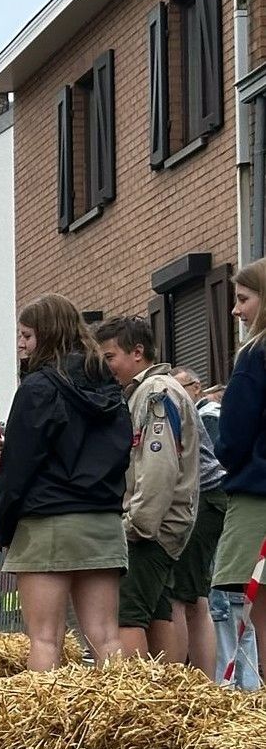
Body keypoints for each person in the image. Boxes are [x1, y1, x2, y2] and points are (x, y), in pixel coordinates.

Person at [0, 294, 131, 671]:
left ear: (47, 336)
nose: (20, 343)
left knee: (45, 638)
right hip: (102, 519)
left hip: (47, 520)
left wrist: (1, 523)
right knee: (106, 635)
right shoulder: (110, 387)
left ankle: (46, 729)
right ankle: (126, 718)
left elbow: (21, 467)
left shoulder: (38, 387)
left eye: (27, 335)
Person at [94, 316, 200, 660]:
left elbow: (159, 466)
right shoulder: (148, 392)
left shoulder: (155, 393)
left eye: (110, 357)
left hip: (151, 527)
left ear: (137, 352)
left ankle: (137, 701)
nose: (106, 367)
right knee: (157, 611)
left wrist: (137, 525)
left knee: (127, 615)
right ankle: (169, 694)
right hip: (161, 523)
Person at [215, 258, 266, 679]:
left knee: (256, 606)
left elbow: (233, 437)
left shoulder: (254, 355)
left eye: (243, 299)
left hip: (257, 499)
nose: (236, 310)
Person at [170, 367, 226, 679]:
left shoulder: (208, 414)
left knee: (183, 594)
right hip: (206, 497)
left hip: (201, 496)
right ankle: (202, 684)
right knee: (195, 597)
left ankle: (192, 685)